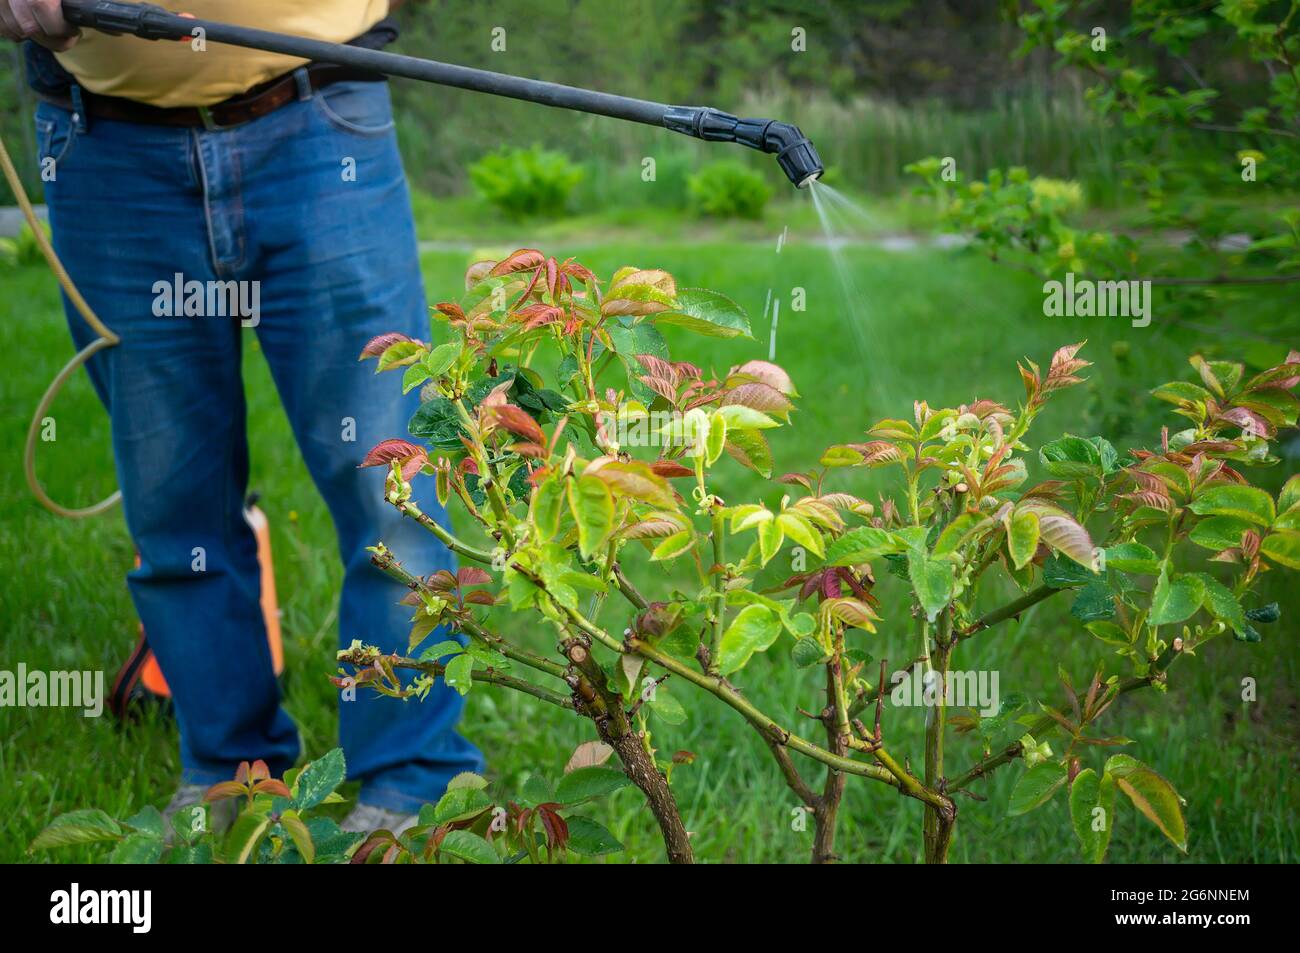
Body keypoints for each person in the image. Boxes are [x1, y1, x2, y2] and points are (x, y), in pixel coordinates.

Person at [1, 0, 481, 833]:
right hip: (105, 150)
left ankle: (410, 782)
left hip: (319, 116)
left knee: (391, 488)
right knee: (172, 502)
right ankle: (231, 771)